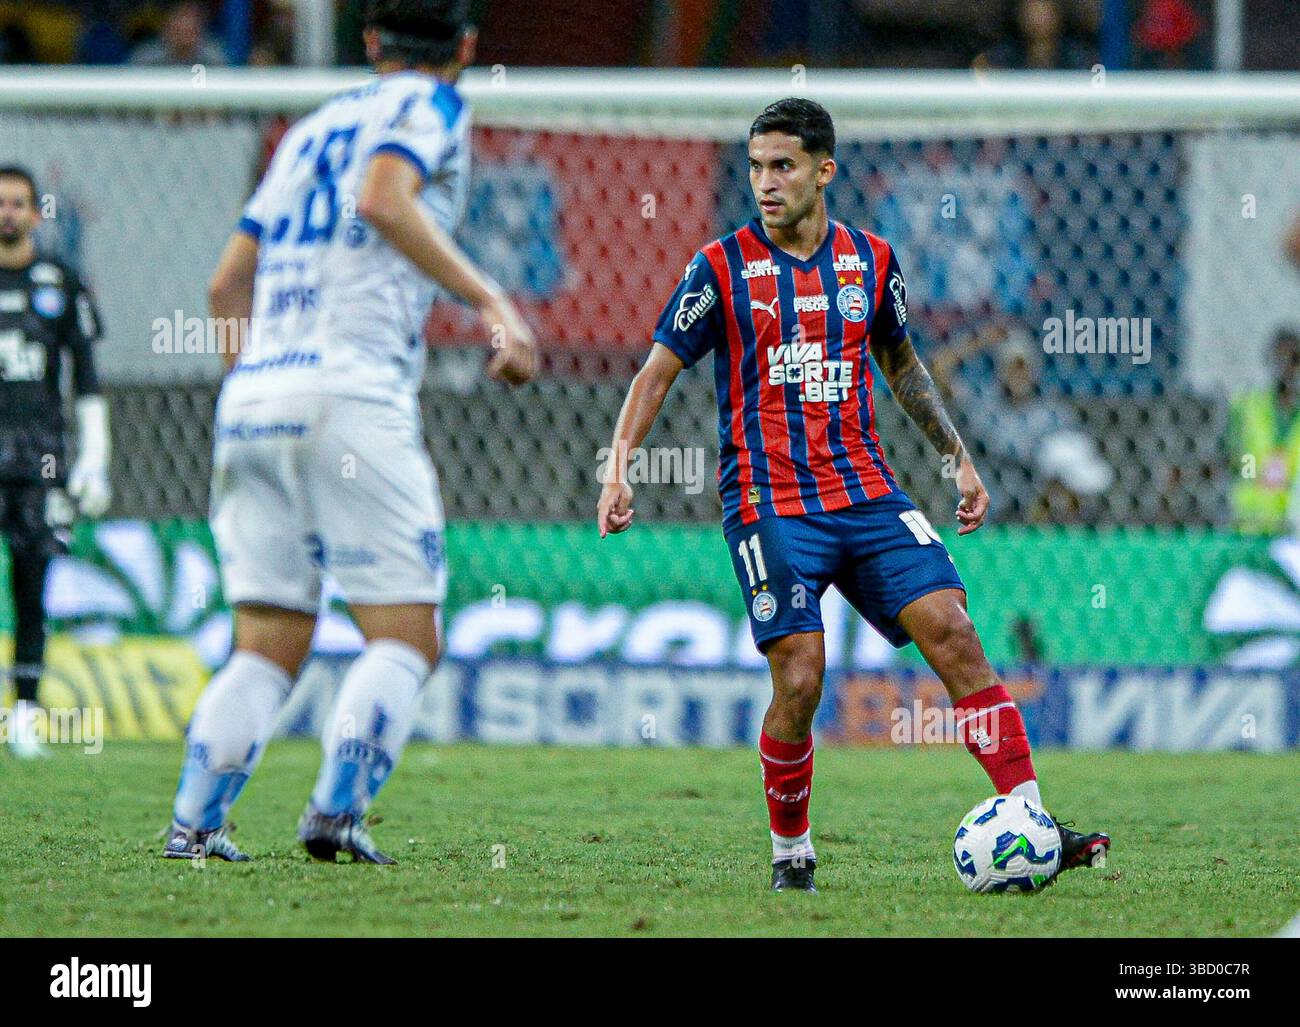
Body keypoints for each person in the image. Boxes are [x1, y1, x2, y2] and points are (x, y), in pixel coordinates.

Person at [597, 98, 1110, 892]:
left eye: (783, 166)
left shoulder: (870, 260)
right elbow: (656, 371)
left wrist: (958, 459)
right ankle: (791, 851)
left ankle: (1030, 819)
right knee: (800, 678)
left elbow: (903, 366)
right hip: (769, 501)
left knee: (955, 630)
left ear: (823, 170)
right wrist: (620, 464)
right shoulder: (720, 267)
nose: (765, 183)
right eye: (756, 166)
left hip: (867, 492)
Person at [161, 0, 536, 863]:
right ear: (467, 48)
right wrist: (491, 301)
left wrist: (254, 383)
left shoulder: (306, 130)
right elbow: (384, 198)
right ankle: (334, 813)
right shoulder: (433, 106)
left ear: (370, 42)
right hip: (353, 390)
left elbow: (225, 285)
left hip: (255, 393)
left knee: (267, 641)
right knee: (405, 634)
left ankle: (195, 825)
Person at [0, 165, 110, 758]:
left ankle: (22, 715)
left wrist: (95, 461)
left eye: (18, 204)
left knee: (31, 585)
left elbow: (88, 382)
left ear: (36, 214)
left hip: (38, 458)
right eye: (0, 204)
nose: (9, 213)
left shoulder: (62, 284)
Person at [1231, 328, 1300, 534]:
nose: (1286, 367)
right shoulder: (1248, 404)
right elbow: (1239, 452)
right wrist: (1254, 474)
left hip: (1293, 520)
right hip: (1252, 520)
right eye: (1279, 358)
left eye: (1294, 359)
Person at [129, 1, 228, 67]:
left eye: (189, 31)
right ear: (167, 29)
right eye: (179, 31)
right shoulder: (146, 58)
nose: (184, 37)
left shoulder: (213, 59)